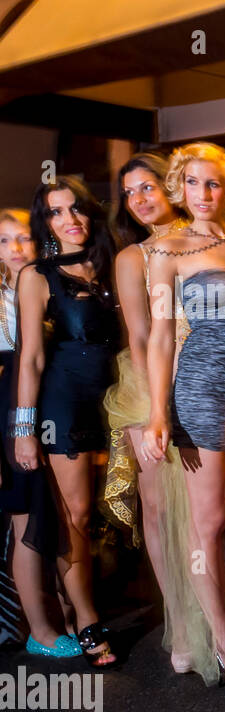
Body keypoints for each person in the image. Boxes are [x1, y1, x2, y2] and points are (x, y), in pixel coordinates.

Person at [142, 142, 225, 694]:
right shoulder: (166, 252)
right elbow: (162, 337)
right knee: (210, 526)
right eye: (192, 183)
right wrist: (157, 412)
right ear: (180, 188)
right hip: (202, 394)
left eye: (213, 183)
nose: (203, 194)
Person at [103, 152, 213, 677]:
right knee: (161, 508)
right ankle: (181, 621)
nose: (141, 199)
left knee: (205, 514)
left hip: (208, 380)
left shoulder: (207, 240)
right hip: (148, 385)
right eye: (131, 193)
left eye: (148, 187)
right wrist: (158, 405)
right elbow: (143, 334)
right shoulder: (133, 258)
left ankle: (215, 616)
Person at [14, 177, 123, 669]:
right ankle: (86, 618)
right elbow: (31, 359)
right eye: (56, 213)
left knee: (106, 516)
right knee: (74, 516)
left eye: (75, 209)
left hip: (116, 401)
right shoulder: (37, 276)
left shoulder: (114, 265)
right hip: (64, 405)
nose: (69, 220)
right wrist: (23, 428)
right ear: (48, 224)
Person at [0, 207, 75, 658]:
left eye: (23, 238)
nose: (16, 249)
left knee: (61, 515)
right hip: (11, 407)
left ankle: (69, 615)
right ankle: (40, 629)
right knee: (26, 516)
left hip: (55, 399)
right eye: (4, 241)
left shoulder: (50, 284)